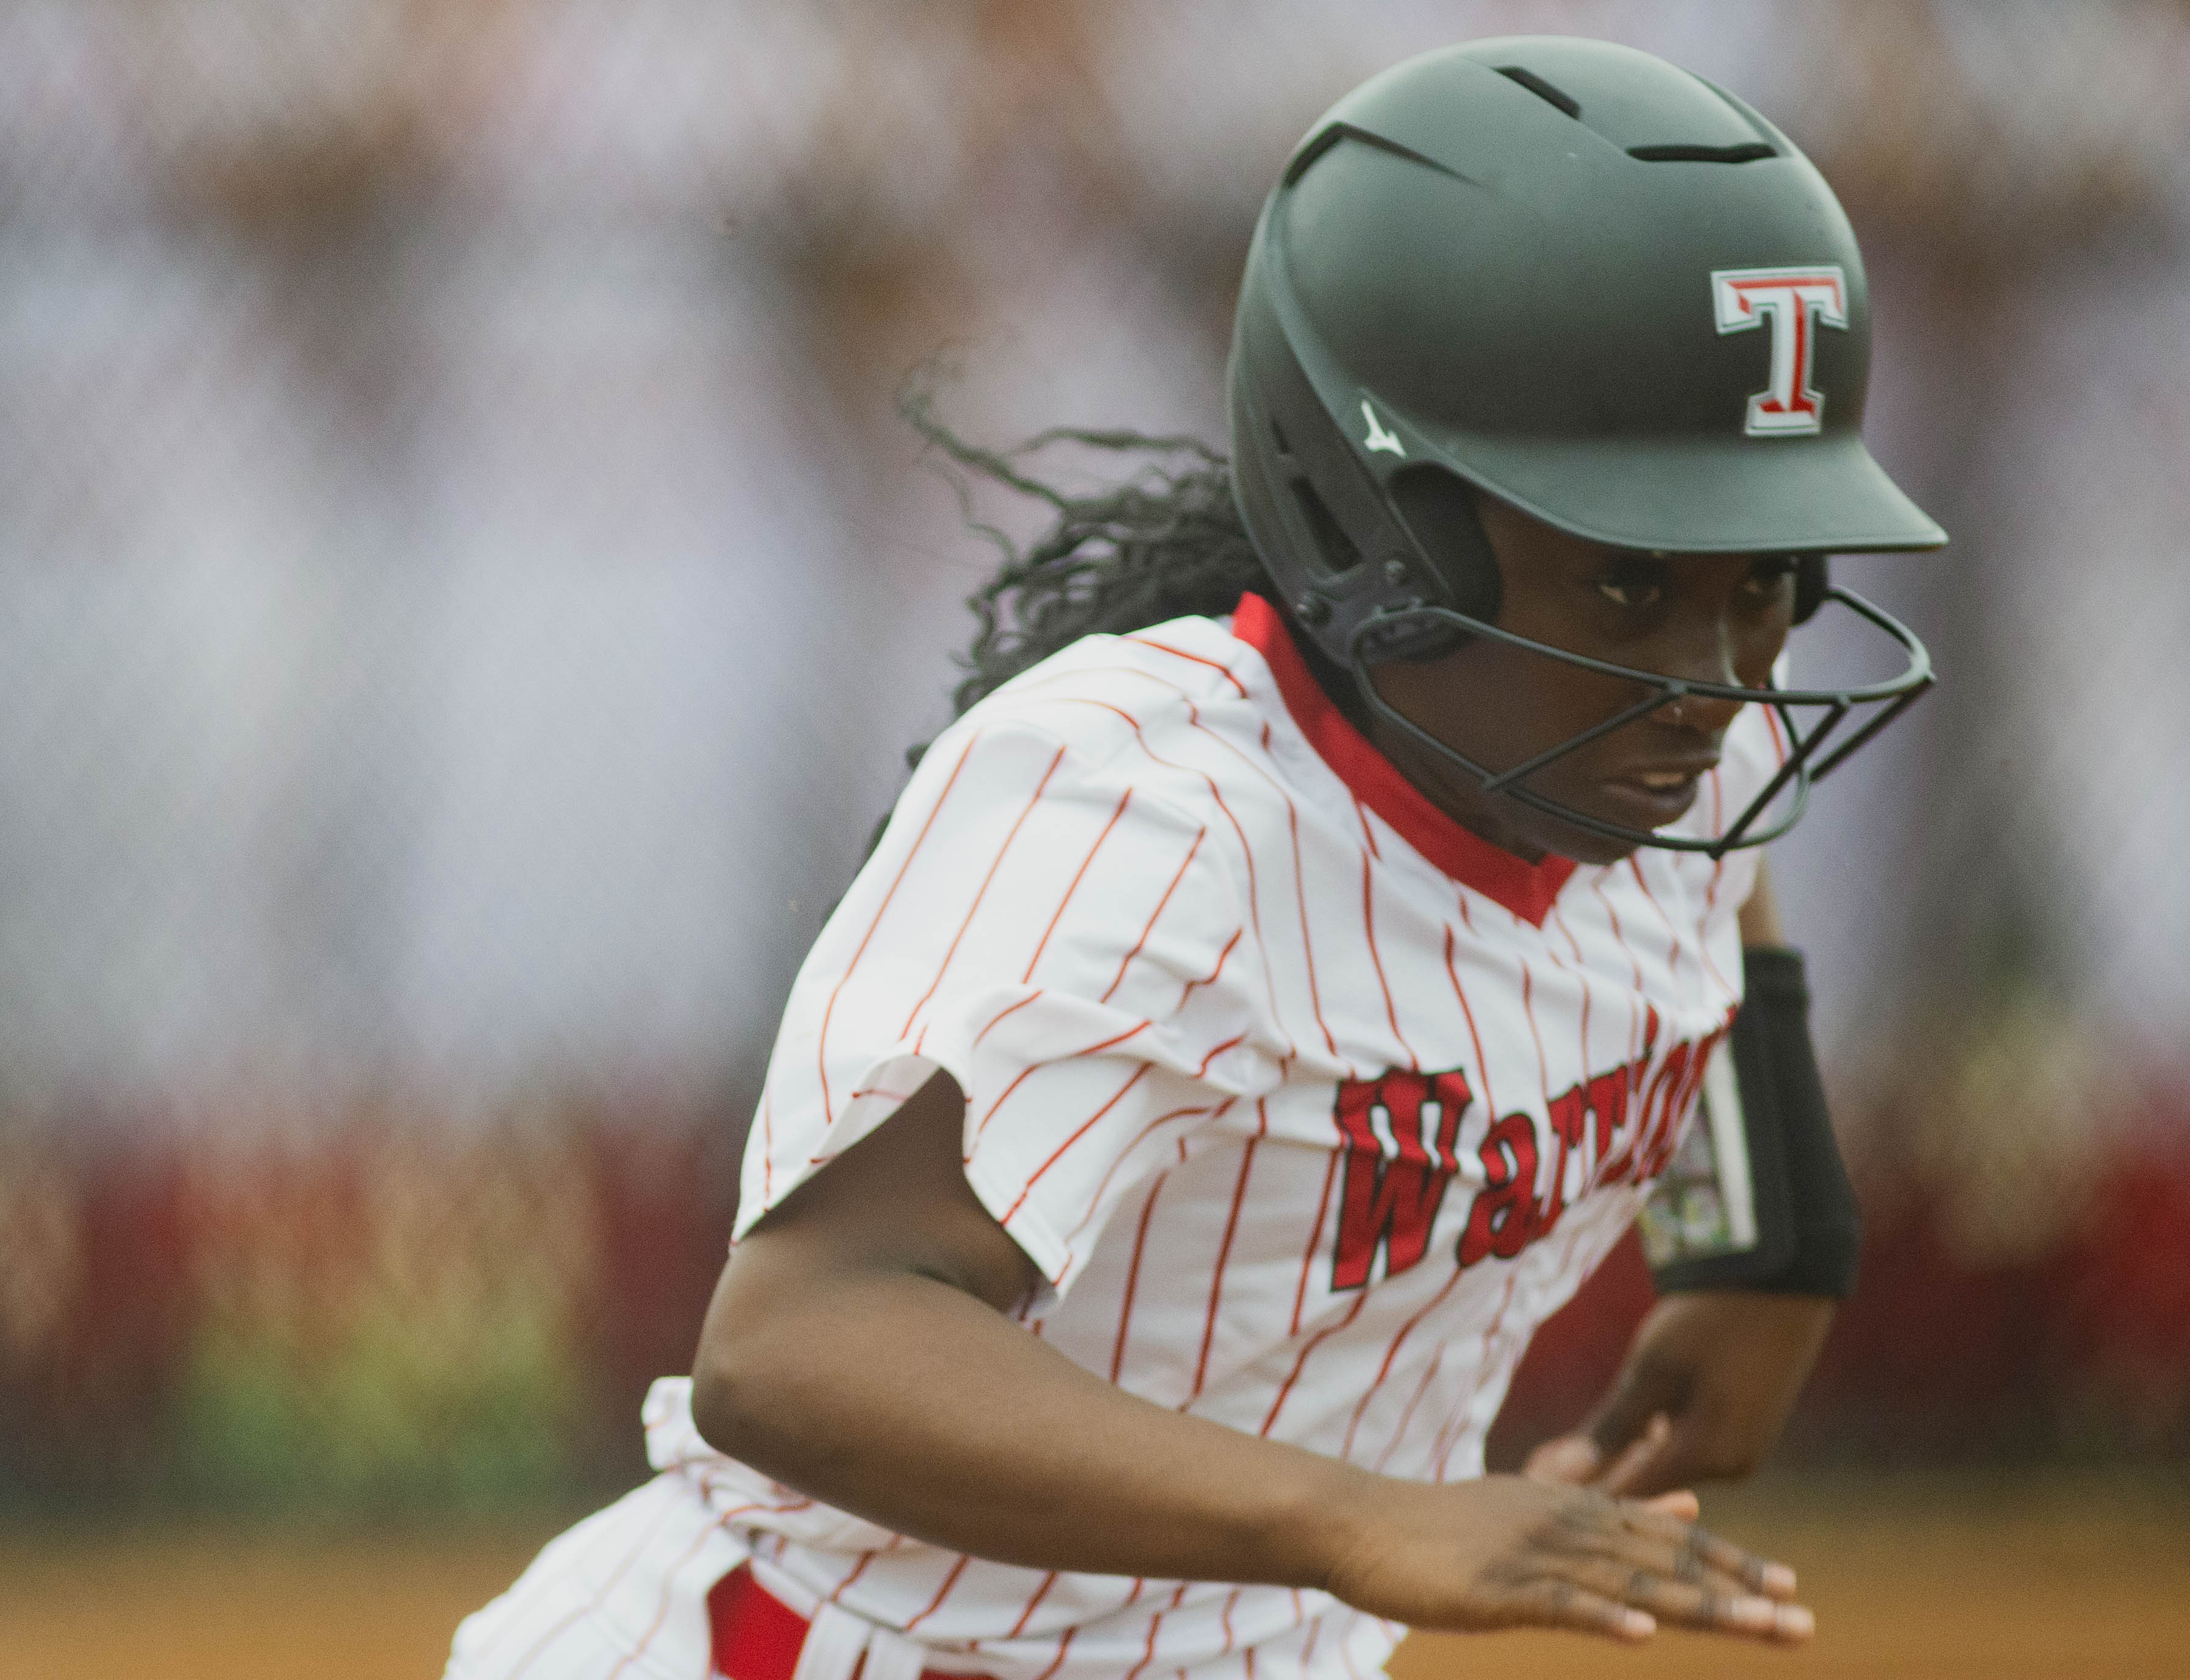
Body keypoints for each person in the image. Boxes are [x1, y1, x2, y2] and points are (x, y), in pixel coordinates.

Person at [446, 35, 1942, 1680]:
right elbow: (802, 1342)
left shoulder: (1644, 735)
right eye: (1632, 584)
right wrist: (1356, 1516)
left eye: (1764, 580)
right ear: (1390, 534)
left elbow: (1728, 905)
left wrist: (1766, 1236)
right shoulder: (1156, 814)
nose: (1719, 678)